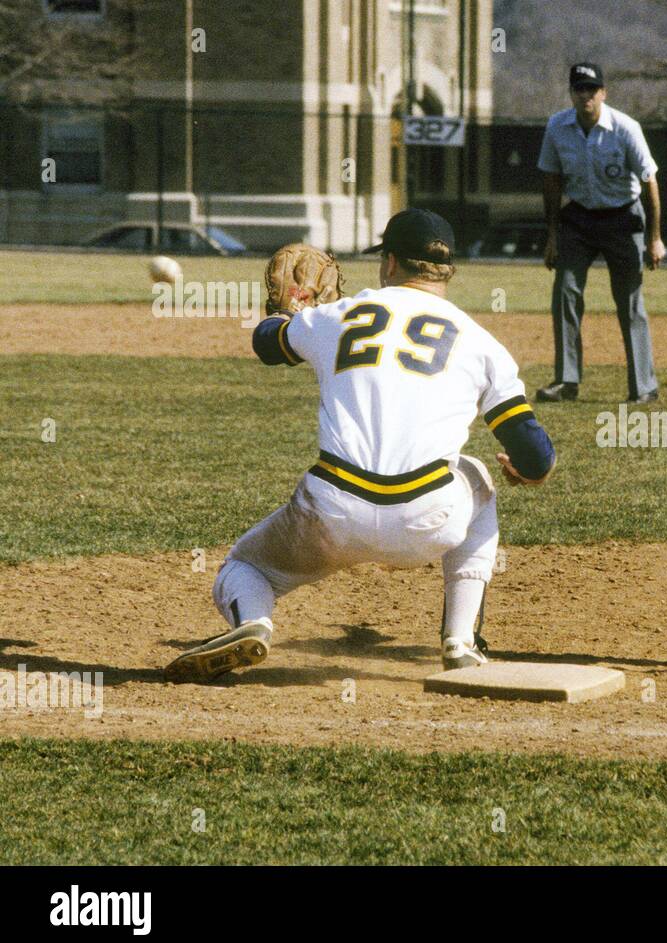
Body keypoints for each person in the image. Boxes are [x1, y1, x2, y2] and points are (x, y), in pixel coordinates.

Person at [164, 210, 556, 682]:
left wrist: (289, 311)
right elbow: (535, 454)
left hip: (329, 515)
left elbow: (266, 344)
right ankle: (459, 642)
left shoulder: (339, 316)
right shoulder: (481, 342)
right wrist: (530, 472)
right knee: (477, 476)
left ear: (390, 262)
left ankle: (254, 622)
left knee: (244, 566)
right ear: (447, 272)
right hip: (427, 521)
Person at [536, 62, 664, 404]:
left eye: (592, 89)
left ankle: (643, 387)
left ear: (603, 93)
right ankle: (567, 381)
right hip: (577, 218)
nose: (585, 95)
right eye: (579, 88)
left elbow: (650, 182)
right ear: (571, 93)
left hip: (623, 217)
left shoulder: (625, 128)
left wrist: (654, 238)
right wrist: (551, 236)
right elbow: (550, 181)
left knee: (630, 300)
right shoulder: (557, 127)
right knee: (565, 291)